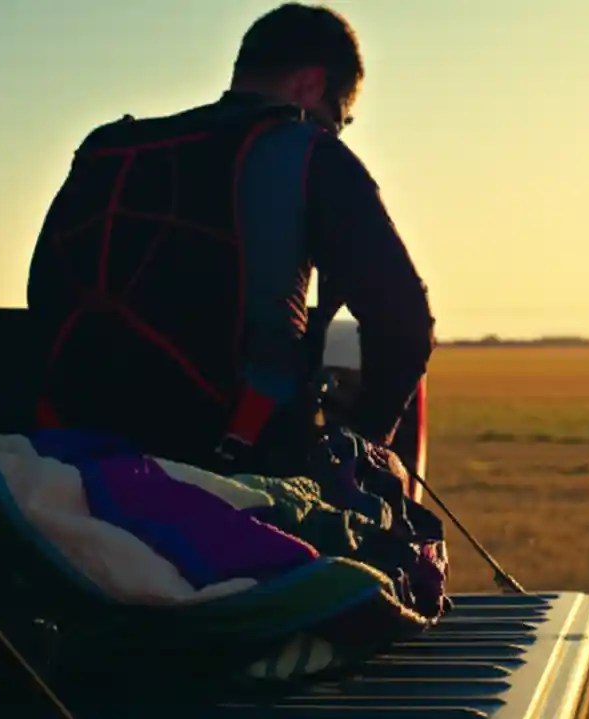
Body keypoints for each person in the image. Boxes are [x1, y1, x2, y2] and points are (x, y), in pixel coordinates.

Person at [26, 3, 435, 475]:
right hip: (229, 475)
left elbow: (45, 291)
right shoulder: (308, 153)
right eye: (339, 119)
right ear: (310, 86)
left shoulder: (112, 149)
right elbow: (405, 325)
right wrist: (360, 452)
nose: (334, 132)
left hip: (68, 458)